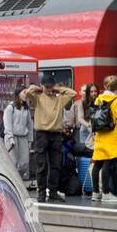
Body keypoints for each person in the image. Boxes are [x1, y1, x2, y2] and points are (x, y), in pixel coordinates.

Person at [22, 75, 78, 203]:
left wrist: (58, 89)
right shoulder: (38, 98)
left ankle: (53, 191)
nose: (48, 89)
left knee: (56, 165)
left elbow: (73, 93)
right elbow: (27, 93)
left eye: (50, 86)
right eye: (46, 86)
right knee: (41, 165)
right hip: (42, 134)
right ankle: (41, 192)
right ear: (43, 86)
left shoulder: (59, 99)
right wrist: (37, 88)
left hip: (56, 134)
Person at [90, 75, 117, 203]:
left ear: (105, 86)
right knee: (108, 163)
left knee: (97, 163)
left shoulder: (98, 98)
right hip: (113, 136)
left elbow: (94, 116)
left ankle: (95, 193)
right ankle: (106, 192)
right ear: (116, 87)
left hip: (100, 135)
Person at [3, 86, 33, 185]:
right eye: (24, 92)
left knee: (24, 163)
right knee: (13, 163)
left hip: (23, 138)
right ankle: (13, 184)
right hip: (12, 138)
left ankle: (17, 181)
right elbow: (7, 124)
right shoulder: (10, 107)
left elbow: (30, 124)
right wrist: (10, 138)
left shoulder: (26, 109)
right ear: (18, 94)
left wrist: (30, 140)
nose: (26, 95)